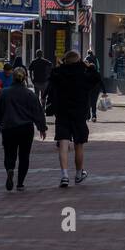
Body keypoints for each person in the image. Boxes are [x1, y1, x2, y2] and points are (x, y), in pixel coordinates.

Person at [46, 50, 102, 187]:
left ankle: (64, 175)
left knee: (63, 144)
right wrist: (89, 67)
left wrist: (60, 66)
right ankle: (78, 173)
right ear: (79, 61)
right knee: (79, 144)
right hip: (79, 114)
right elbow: (96, 79)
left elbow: (52, 78)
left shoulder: (59, 74)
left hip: (62, 113)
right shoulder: (83, 75)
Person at [0, 68, 47, 191]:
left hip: (9, 127)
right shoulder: (30, 94)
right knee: (24, 155)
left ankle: (10, 169)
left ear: (13, 77)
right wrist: (42, 128)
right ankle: (20, 183)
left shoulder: (4, 93)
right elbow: (38, 112)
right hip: (26, 128)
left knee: (9, 153)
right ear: (25, 78)